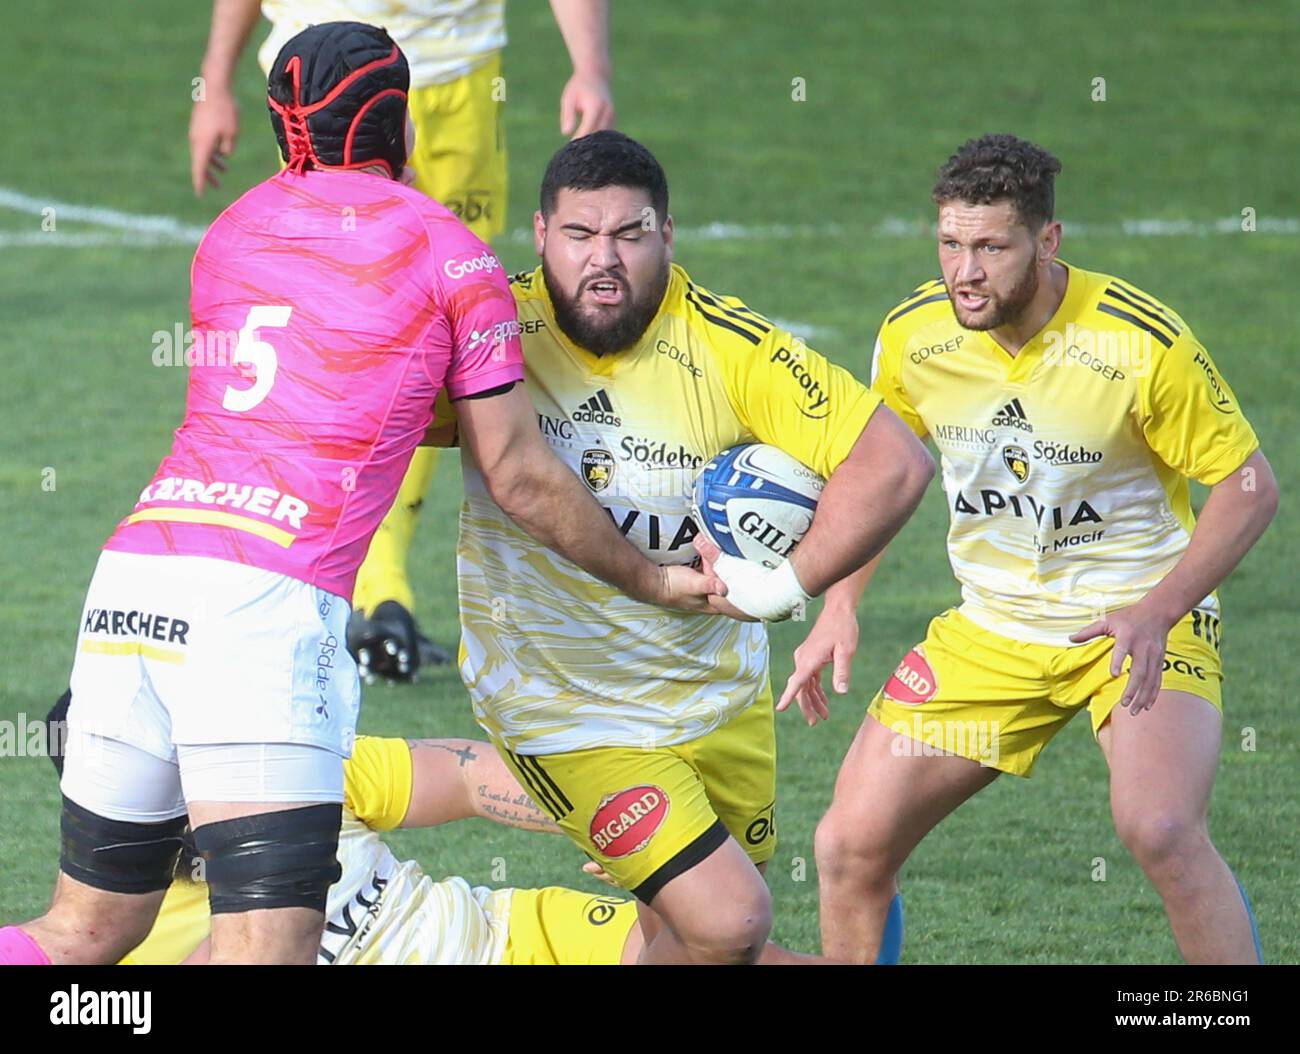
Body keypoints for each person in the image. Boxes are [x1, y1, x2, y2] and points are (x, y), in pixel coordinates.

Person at [0, 25, 711, 968]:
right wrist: (653, 581)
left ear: (286, 126)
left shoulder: (230, 233)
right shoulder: (451, 255)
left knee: (84, 933)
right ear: (402, 123)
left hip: (136, 581)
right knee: (266, 952)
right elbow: (519, 473)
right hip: (258, 613)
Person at [783, 133, 1278, 964]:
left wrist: (1158, 611)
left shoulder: (1136, 343)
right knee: (846, 847)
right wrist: (839, 604)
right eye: (949, 243)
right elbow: (884, 475)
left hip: (1135, 619)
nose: (964, 272)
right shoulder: (915, 336)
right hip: (994, 630)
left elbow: (1251, 488)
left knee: (1159, 828)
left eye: (989, 247)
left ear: (1047, 241)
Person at [442, 130, 934, 964]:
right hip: (562, 706)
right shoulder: (495, 332)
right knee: (732, 919)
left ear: (667, 236)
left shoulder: (728, 346)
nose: (605, 259)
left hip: (721, 698)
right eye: (579, 235)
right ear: (538, 233)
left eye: (630, 234)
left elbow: (894, 463)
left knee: (688, 944)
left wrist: (787, 585)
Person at [189, 0, 617, 679]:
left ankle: (367, 583)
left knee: (416, 332)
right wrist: (214, 80)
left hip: (459, 69)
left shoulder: (226, 242)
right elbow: (509, 459)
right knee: (380, 325)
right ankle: (364, 583)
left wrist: (590, 64)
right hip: (317, 82)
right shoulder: (457, 258)